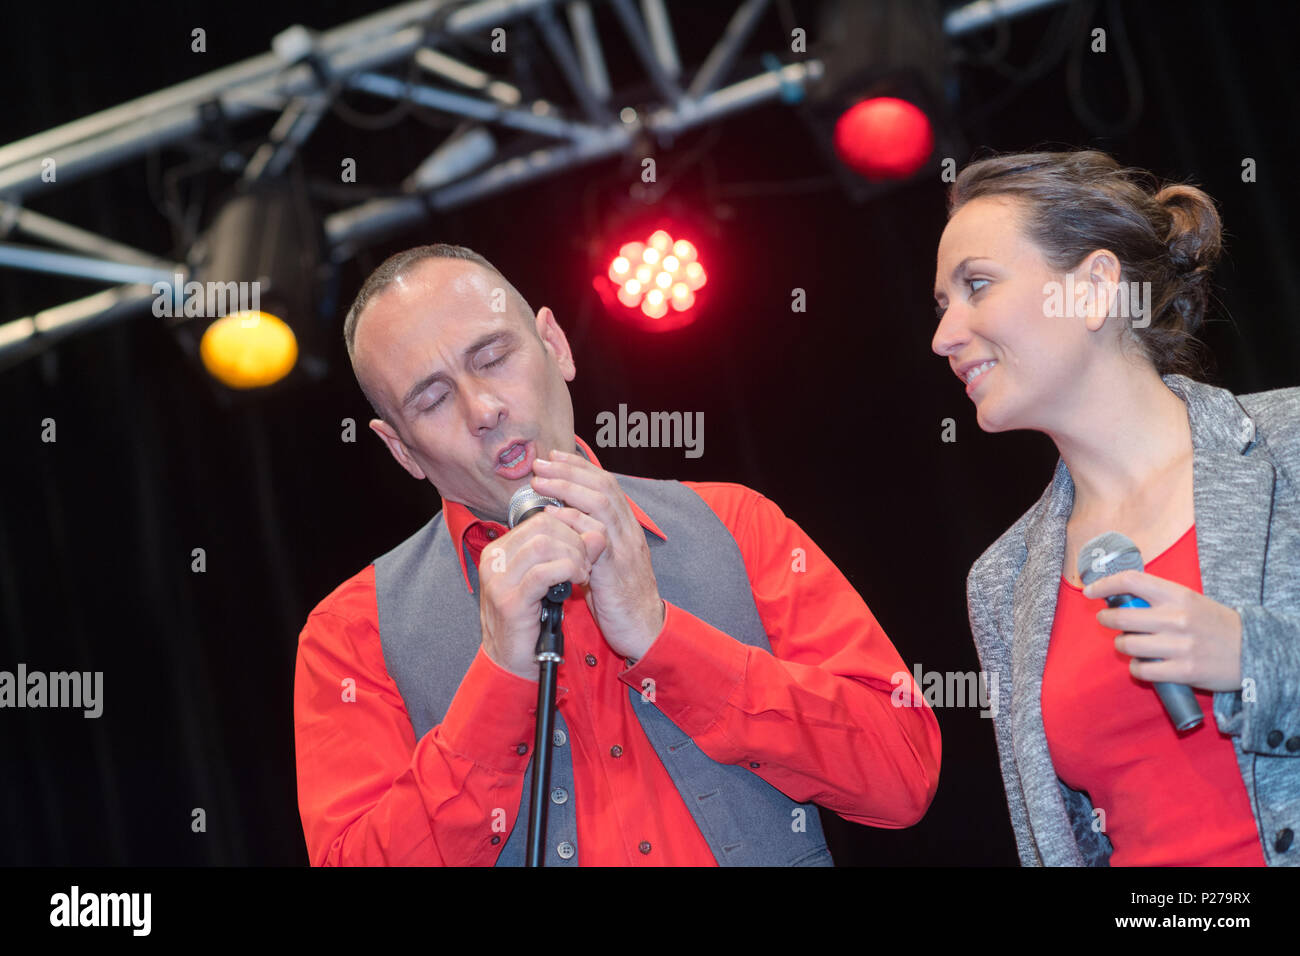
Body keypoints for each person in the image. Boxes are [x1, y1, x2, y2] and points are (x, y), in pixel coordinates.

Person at [293, 243, 941, 866]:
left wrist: (667, 641)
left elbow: (903, 772)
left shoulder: (735, 522)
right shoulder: (351, 634)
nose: (483, 408)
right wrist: (496, 684)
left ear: (555, 345)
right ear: (401, 450)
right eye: (431, 399)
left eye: (493, 357)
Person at [931, 149, 1300, 866]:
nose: (944, 337)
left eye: (978, 285)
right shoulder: (1003, 580)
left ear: (1095, 288)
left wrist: (1256, 656)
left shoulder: (1291, 444)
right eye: (944, 306)